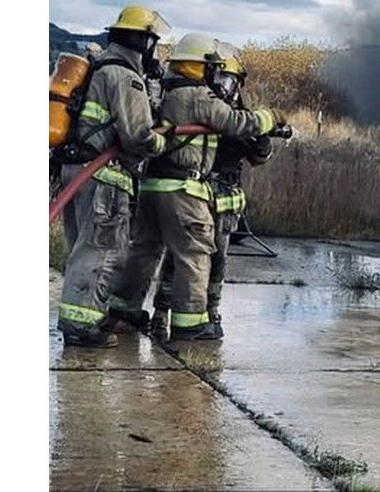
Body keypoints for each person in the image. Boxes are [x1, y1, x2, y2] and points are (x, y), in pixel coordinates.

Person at [108, 34, 287, 341]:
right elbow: (238, 123)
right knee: (194, 255)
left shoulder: (161, 89)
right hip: (183, 188)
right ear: (198, 67)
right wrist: (270, 118)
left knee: (144, 251)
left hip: (151, 186)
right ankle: (189, 323)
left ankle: (124, 309)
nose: (215, 76)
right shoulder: (198, 96)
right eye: (212, 68)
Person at [57, 5, 170, 348]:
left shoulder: (100, 66)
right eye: (152, 42)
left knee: (84, 248)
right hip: (103, 177)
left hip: (78, 171)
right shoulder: (125, 77)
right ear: (142, 41)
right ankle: (81, 328)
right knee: (101, 251)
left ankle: (87, 316)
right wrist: (163, 139)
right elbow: (138, 136)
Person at [149, 51, 275, 339]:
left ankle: (210, 312)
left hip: (226, 200)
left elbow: (260, 155)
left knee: (217, 262)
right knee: (180, 259)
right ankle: (162, 313)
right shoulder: (204, 106)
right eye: (221, 78)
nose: (225, 86)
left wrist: (262, 140)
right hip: (196, 195)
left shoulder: (237, 115)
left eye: (230, 81)